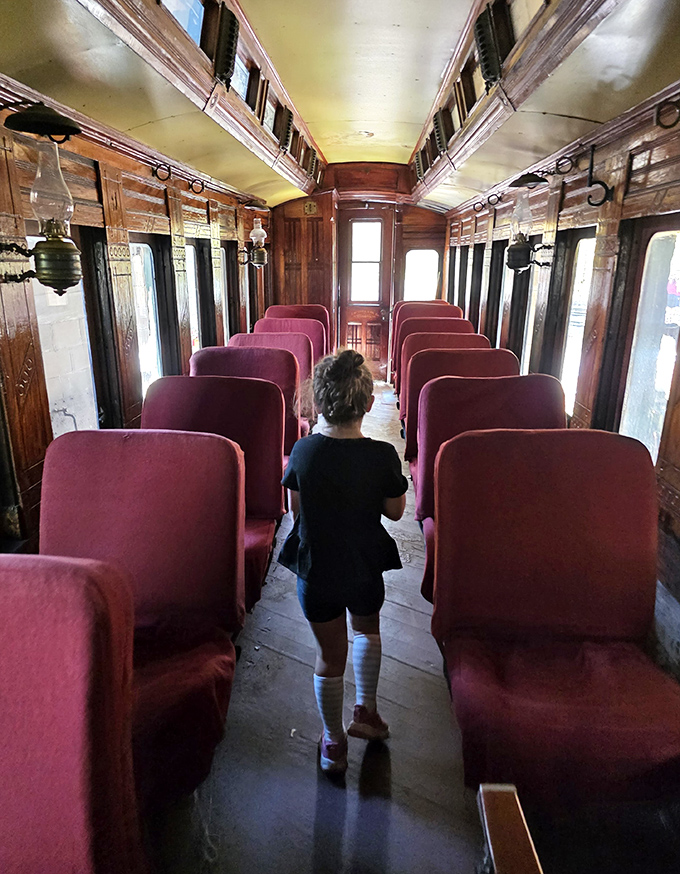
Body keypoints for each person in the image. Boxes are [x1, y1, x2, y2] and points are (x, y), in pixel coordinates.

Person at [279, 349, 408, 774]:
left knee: (329, 657)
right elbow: (394, 512)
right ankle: (366, 713)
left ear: (317, 403)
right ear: (369, 404)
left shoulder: (302, 453)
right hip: (365, 565)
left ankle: (332, 742)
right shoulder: (382, 456)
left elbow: (296, 512)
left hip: (316, 569)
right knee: (367, 632)